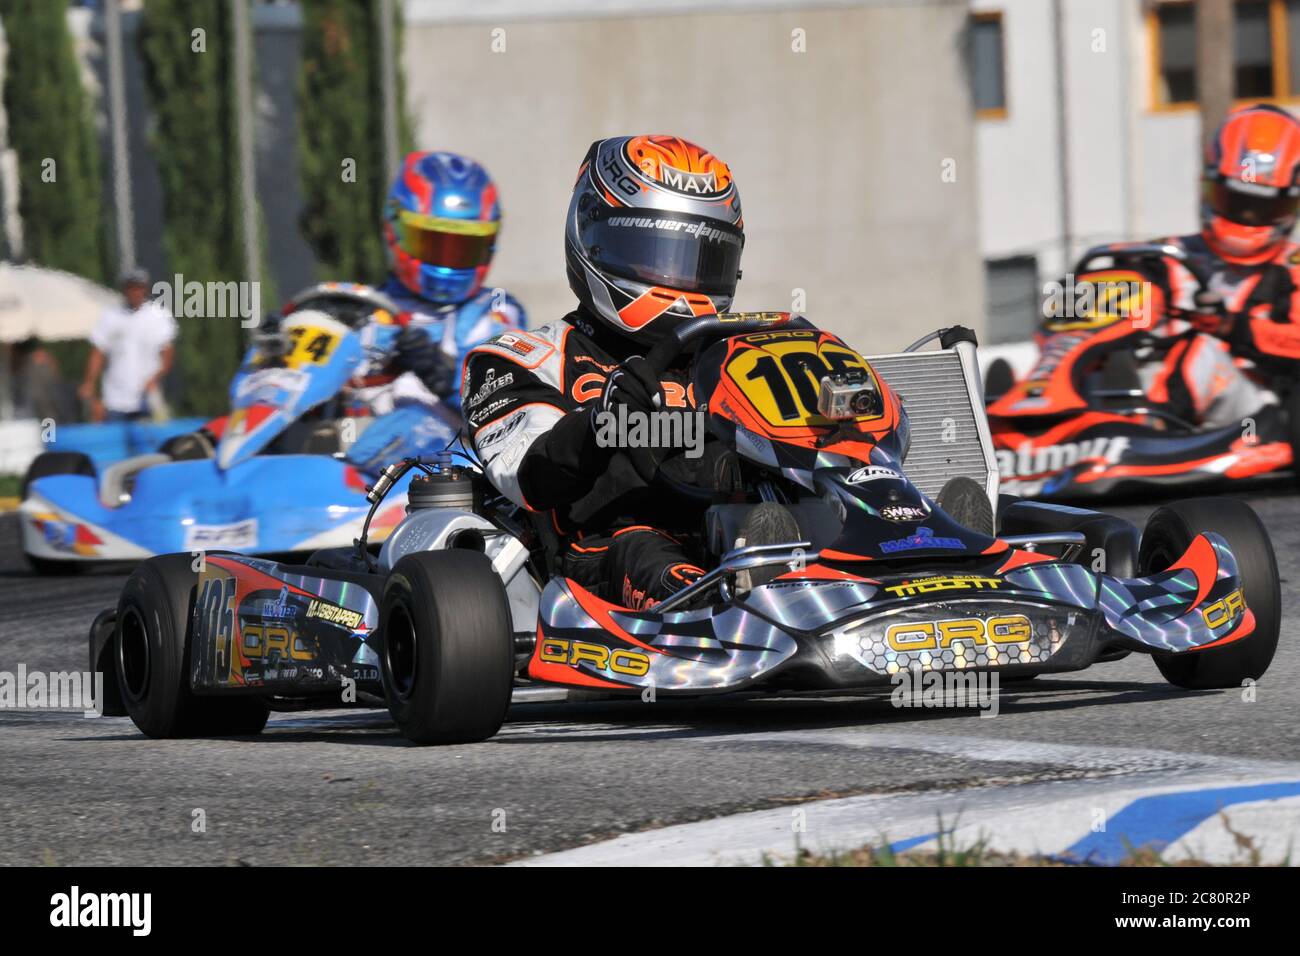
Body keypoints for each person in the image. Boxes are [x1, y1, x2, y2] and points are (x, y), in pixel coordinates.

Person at [462, 135, 749, 609]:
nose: (676, 283)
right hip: (596, 555)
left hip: (728, 533)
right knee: (641, 548)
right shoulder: (521, 356)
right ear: (593, 236)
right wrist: (603, 422)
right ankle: (711, 606)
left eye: (697, 260)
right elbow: (529, 476)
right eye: (655, 253)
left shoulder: (731, 358)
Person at [340, 151, 526, 471]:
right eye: (432, 243)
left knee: (411, 424)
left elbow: (508, 406)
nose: (447, 259)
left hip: (451, 473)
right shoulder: (359, 308)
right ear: (395, 230)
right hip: (348, 451)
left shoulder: (494, 311)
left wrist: (440, 373)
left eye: (464, 247)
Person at [1117, 104, 1300, 426]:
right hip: (1153, 384)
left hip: (1260, 415)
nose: (1246, 216)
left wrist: (1234, 329)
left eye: (1260, 206)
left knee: (1202, 353)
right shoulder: (1164, 255)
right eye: (1236, 201)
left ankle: (1148, 433)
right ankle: (1032, 418)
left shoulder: (1293, 269)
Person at [80, 268, 176, 423]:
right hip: (115, 399)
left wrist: (156, 377)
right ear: (124, 289)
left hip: (146, 398)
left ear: (146, 289)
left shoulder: (159, 316)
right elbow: (98, 352)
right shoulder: (110, 316)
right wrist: (90, 383)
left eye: (138, 287)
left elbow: (167, 353)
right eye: (131, 287)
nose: (135, 292)